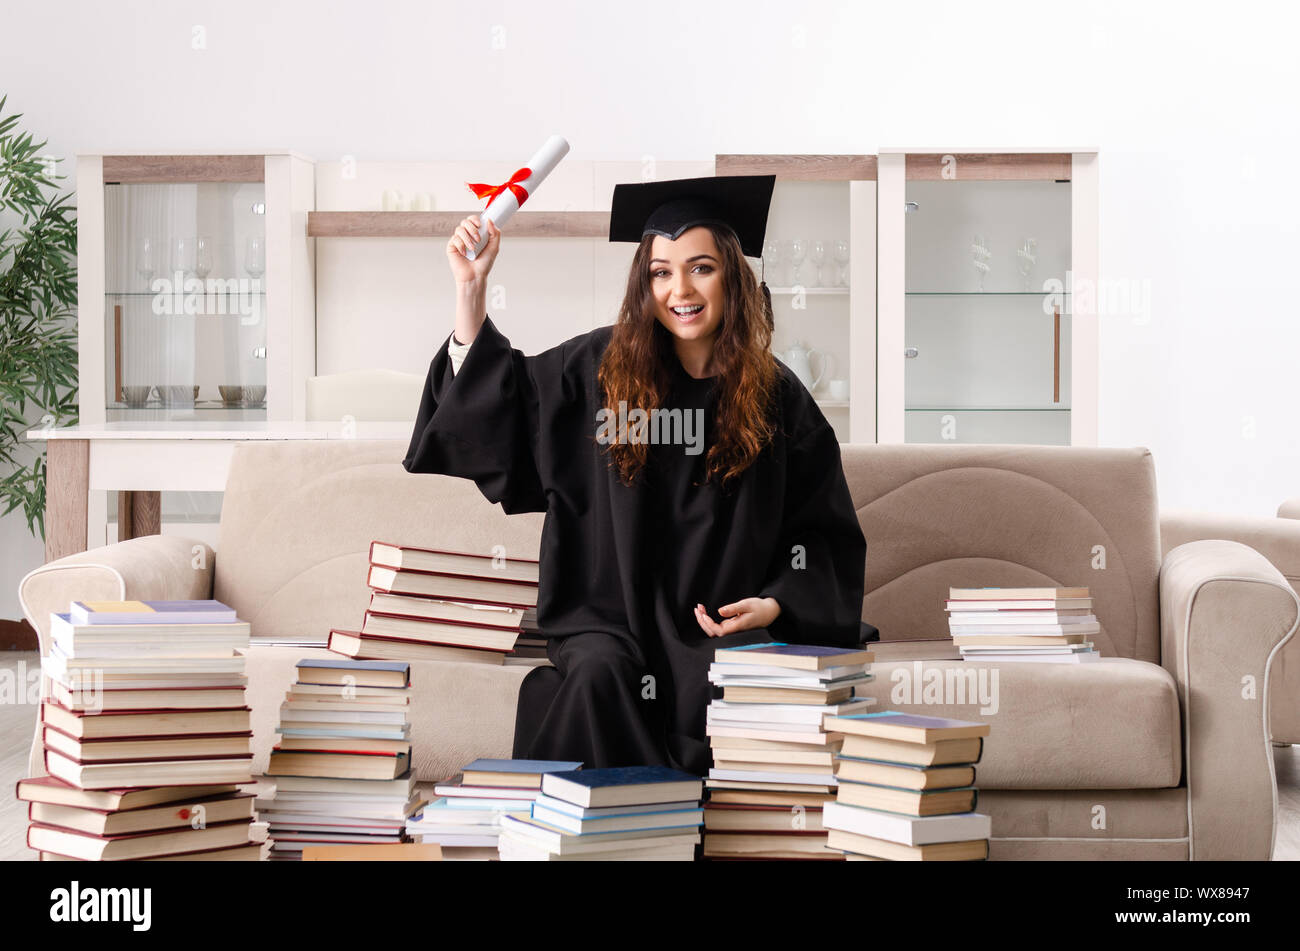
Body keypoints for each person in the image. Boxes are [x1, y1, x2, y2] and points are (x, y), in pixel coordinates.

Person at [402, 174, 867, 777]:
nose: (681, 289)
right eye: (661, 272)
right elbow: (503, 408)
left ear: (733, 276)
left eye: (701, 267)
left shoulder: (777, 397)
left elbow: (824, 533)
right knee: (597, 678)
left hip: (713, 625)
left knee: (722, 682)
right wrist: (471, 290)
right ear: (644, 284)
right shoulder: (598, 369)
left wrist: (777, 603)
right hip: (607, 620)